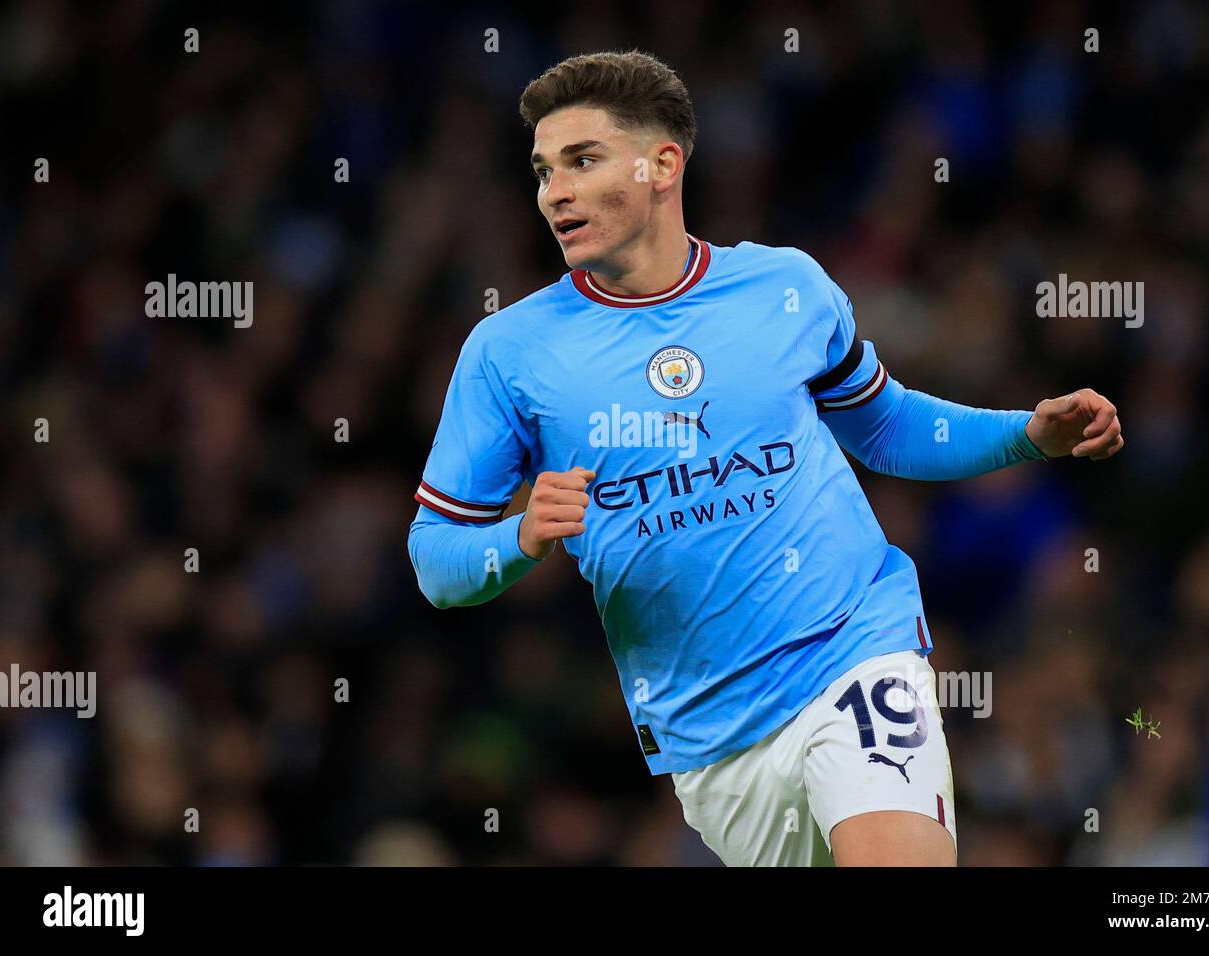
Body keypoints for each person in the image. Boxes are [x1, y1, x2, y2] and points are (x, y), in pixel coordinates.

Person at [407, 49, 1124, 866]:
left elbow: (883, 428)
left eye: (582, 160)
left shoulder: (787, 288)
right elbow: (436, 560)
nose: (554, 193)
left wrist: (1025, 433)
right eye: (542, 171)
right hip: (712, 736)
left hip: (853, 643)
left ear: (661, 163)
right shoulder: (509, 352)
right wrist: (520, 539)